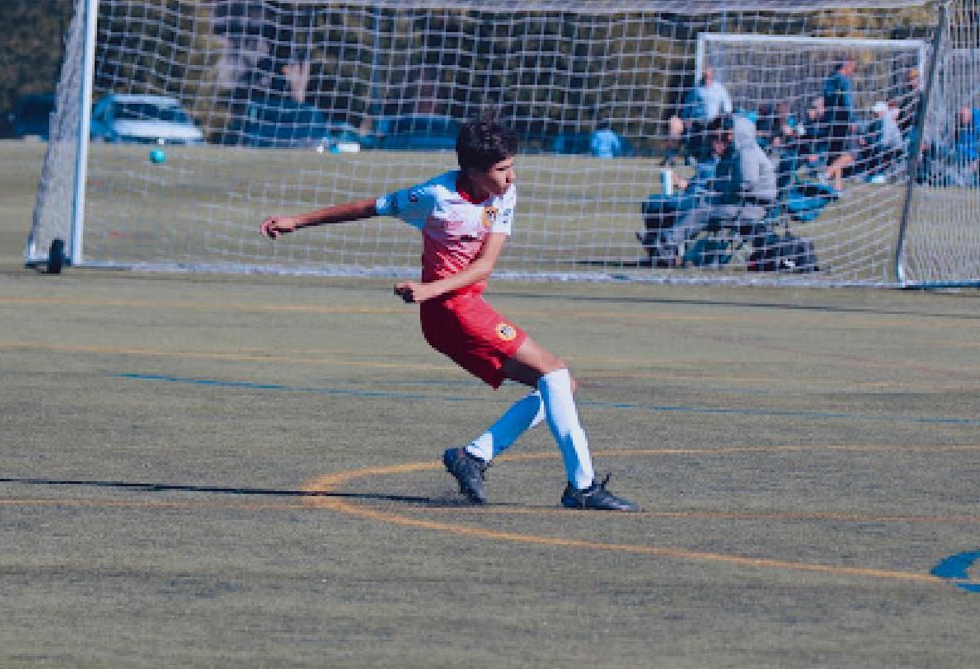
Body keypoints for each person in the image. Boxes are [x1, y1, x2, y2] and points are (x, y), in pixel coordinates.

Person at [259, 110, 638, 512]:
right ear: (473, 171)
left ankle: (472, 456)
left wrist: (429, 288)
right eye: (501, 169)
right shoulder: (434, 197)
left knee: (561, 387)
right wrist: (296, 221)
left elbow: (485, 265)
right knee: (555, 372)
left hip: (459, 305)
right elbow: (366, 207)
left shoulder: (503, 193)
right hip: (451, 312)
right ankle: (582, 487)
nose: (510, 176)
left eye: (512, 166)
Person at [648, 115, 776, 266]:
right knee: (690, 203)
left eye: (719, 136)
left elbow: (746, 184)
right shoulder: (734, 153)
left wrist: (719, 192)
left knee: (700, 211)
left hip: (750, 208)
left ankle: (665, 245)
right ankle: (662, 244)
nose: (715, 142)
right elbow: (723, 183)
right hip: (736, 203)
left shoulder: (747, 153)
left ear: (733, 133)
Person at [662, 65, 733, 166]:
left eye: (708, 71)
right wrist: (685, 119)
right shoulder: (695, 89)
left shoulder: (720, 89)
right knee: (674, 122)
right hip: (696, 122)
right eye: (704, 71)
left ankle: (717, 157)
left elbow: (727, 108)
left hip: (713, 123)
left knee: (723, 131)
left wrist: (722, 119)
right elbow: (687, 107)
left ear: (712, 73)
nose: (706, 73)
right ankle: (670, 157)